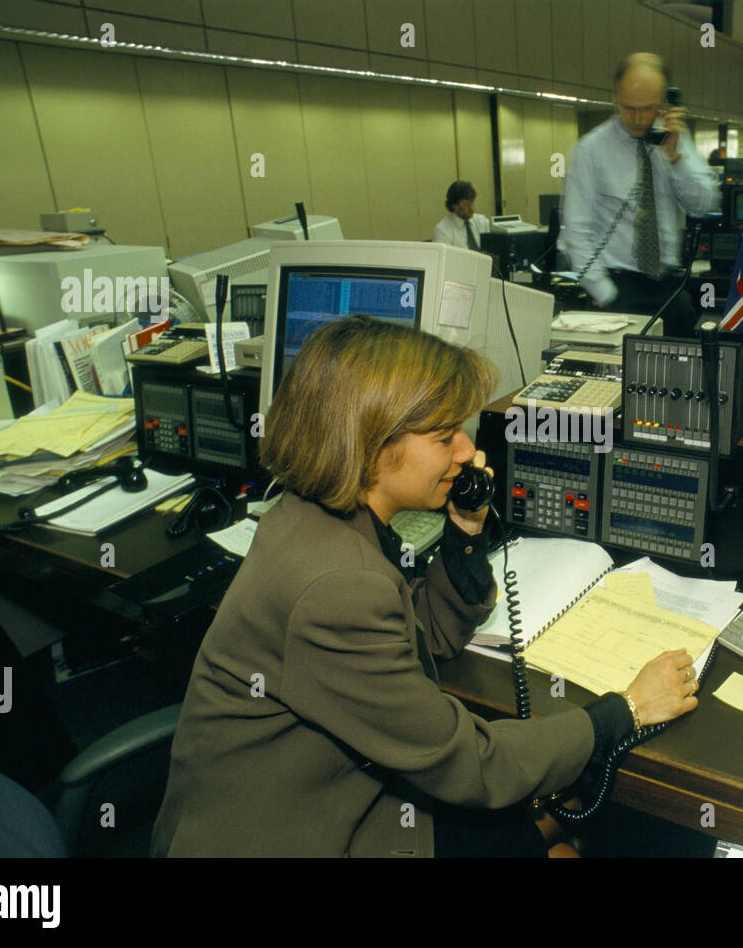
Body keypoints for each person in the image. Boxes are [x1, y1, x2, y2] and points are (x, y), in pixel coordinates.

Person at [151, 317, 699, 857]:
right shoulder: (338, 586)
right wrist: (623, 709)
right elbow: (470, 763)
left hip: (341, 789)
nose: (465, 451)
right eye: (444, 437)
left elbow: (426, 635)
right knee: (570, 826)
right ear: (370, 446)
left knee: (557, 820)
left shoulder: (310, 517)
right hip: (306, 830)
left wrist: (464, 527)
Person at [562, 52, 719, 337]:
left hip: (668, 290)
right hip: (616, 292)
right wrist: (605, 295)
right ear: (615, 99)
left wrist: (674, 158)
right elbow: (576, 231)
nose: (638, 118)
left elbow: (704, 204)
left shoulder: (674, 140)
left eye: (648, 108)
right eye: (629, 108)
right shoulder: (590, 151)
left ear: (664, 103)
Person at [433, 180, 490, 250]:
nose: (471, 208)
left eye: (472, 203)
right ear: (455, 206)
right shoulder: (442, 230)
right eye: (467, 205)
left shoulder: (482, 221)